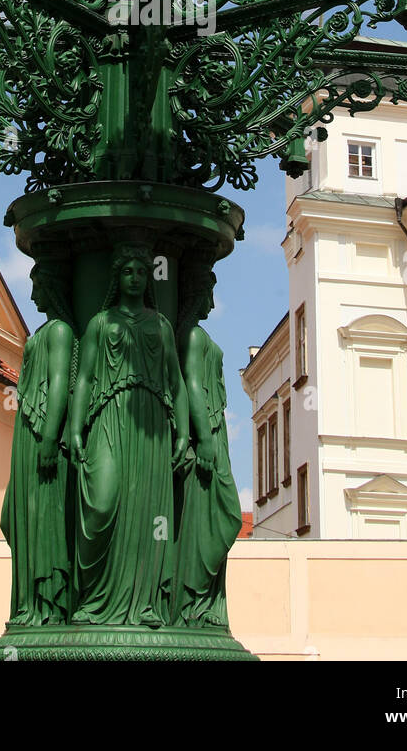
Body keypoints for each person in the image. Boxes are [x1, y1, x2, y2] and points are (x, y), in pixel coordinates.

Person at [69, 243, 188, 626]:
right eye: (127, 271)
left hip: (152, 425)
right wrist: (74, 428)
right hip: (107, 419)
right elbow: (84, 377)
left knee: (152, 515)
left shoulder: (161, 325)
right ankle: (94, 599)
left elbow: (177, 382)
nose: (135, 277)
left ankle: (146, 601)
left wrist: (183, 432)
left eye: (141, 271)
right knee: (102, 503)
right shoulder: (100, 324)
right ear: (117, 278)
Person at [0, 262, 74, 625]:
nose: (32, 294)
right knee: (18, 518)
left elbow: (60, 384)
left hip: (42, 436)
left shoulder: (59, 331)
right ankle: (27, 603)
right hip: (26, 436)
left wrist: (49, 438)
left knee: (45, 515)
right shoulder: (42, 333)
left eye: (38, 285)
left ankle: (46, 605)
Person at [173, 257, 242, 628]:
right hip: (208, 436)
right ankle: (193, 598)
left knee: (218, 515)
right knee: (224, 514)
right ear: (194, 293)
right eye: (207, 294)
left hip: (214, 432)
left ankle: (202, 602)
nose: (212, 304)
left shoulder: (193, 333)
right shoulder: (193, 336)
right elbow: (193, 387)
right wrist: (203, 441)